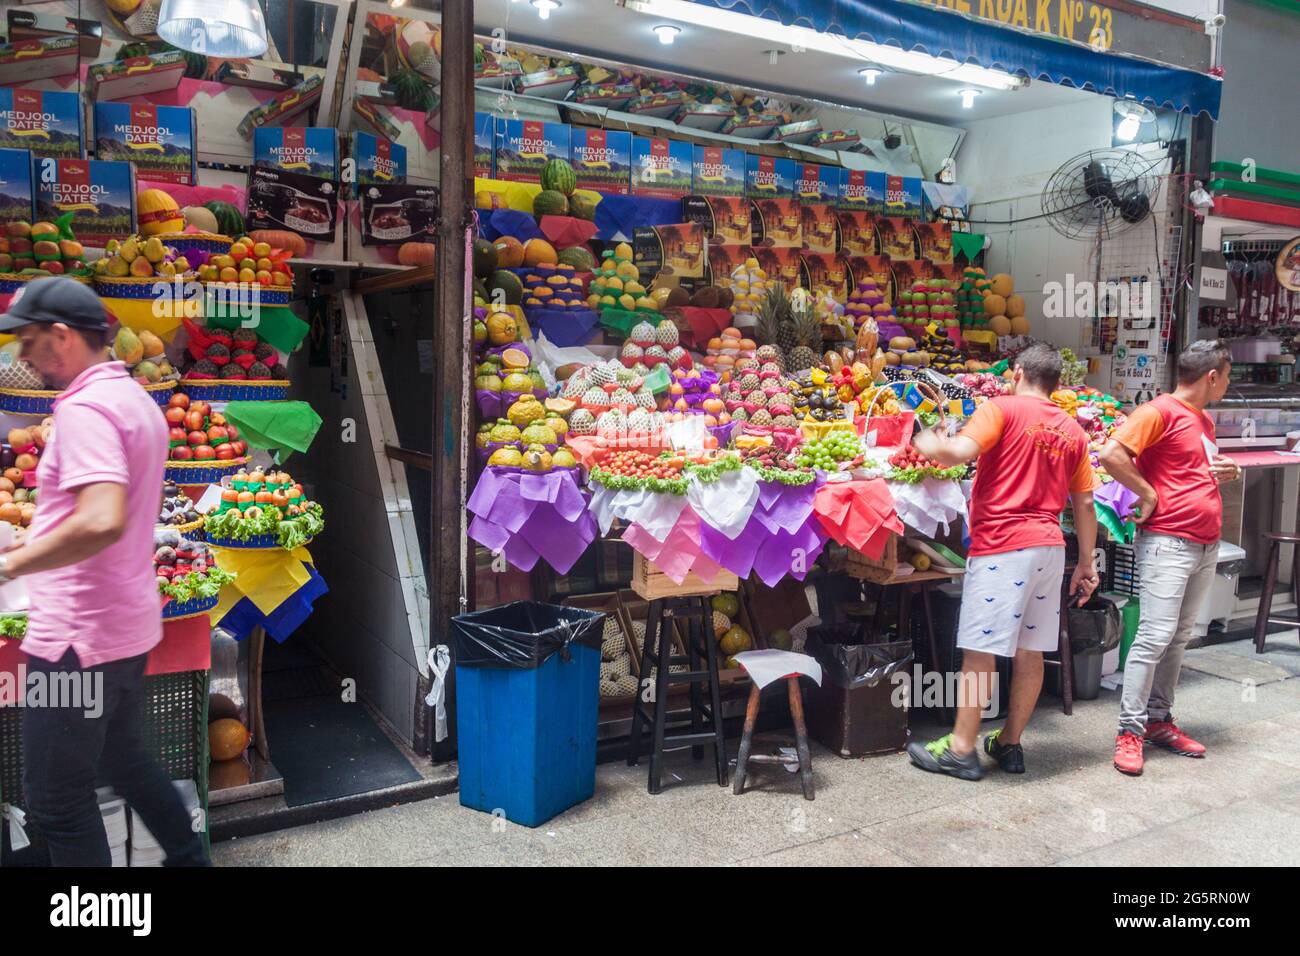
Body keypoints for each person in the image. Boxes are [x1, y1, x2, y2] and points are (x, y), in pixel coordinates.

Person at [0, 278, 208, 866]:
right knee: (126, 760)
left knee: (58, 800)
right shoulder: (134, 399)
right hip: (123, 627)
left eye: (29, 341)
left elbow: (99, 519)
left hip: (75, 641)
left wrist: (11, 562)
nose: (22, 356)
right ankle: (192, 862)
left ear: (62, 336)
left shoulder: (86, 410)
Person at [906, 343, 1099, 780]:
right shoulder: (1073, 429)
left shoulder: (1001, 409)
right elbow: (1084, 504)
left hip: (1003, 547)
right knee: (1030, 652)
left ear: (1017, 373)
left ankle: (961, 749)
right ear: (1056, 384)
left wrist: (929, 440)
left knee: (981, 652)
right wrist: (1087, 562)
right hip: (1051, 549)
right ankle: (1009, 743)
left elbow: (958, 454)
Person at [1099, 339, 1237, 776]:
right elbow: (1111, 454)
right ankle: (1130, 730)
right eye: (1227, 377)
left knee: (1179, 637)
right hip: (1167, 542)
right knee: (1154, 638)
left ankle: (1159, 719)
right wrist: (1147, 492)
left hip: (1204, 544)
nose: (1228, 385)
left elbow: (1195, 471)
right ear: (1212, 376)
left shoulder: (1203, 422)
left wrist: (1228, 472)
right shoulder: (1158, 411)